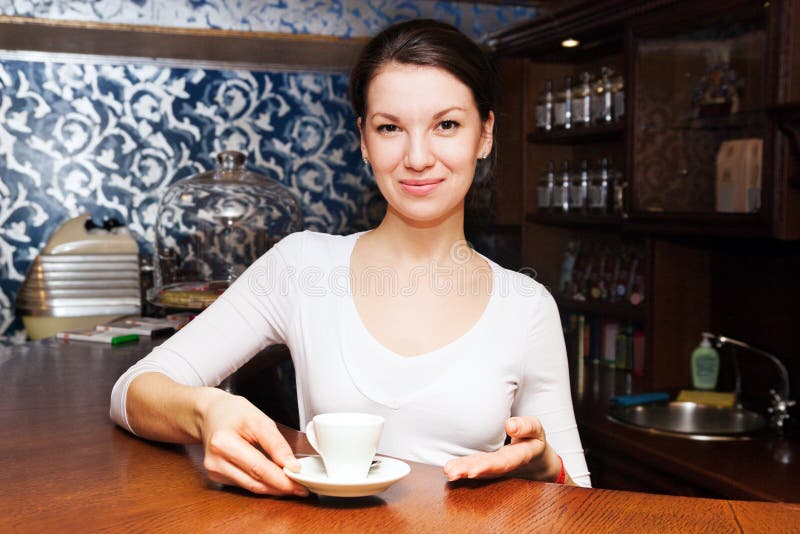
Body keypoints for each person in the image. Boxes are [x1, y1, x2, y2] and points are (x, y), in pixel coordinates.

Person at [110, 19, 591, 496]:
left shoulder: (526, 306)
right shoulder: (302, 267)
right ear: (364, 139)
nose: (418, 156)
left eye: (447, 124)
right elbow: (131, 391)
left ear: (484, 134)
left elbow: (584, 502)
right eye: (390, 128)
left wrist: (547, 466)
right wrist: (206, 412)